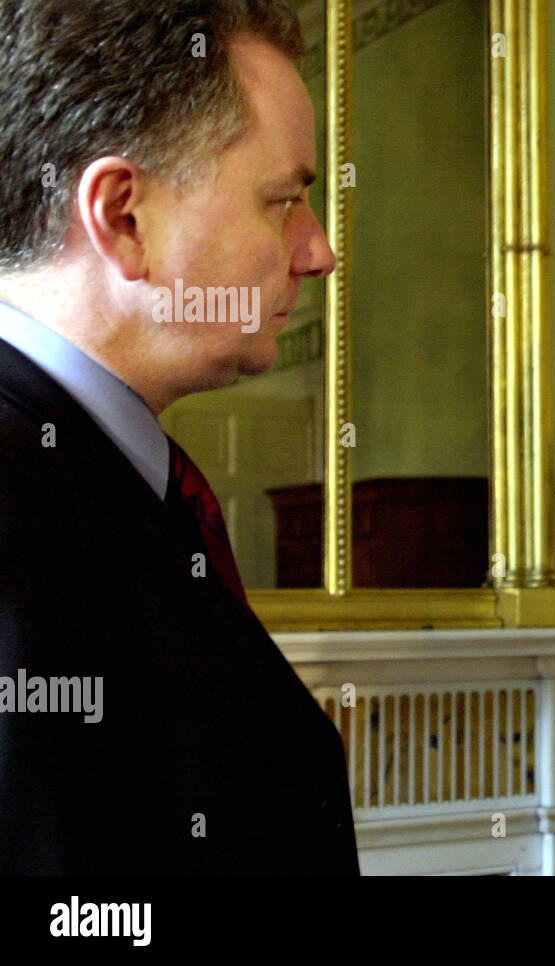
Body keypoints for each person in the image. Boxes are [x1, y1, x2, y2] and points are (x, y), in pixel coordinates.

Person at [0, 0, 358, 873]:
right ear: (124, 216)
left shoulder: (104, 474)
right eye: (282, 202)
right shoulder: (14, 503)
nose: (317, 252)